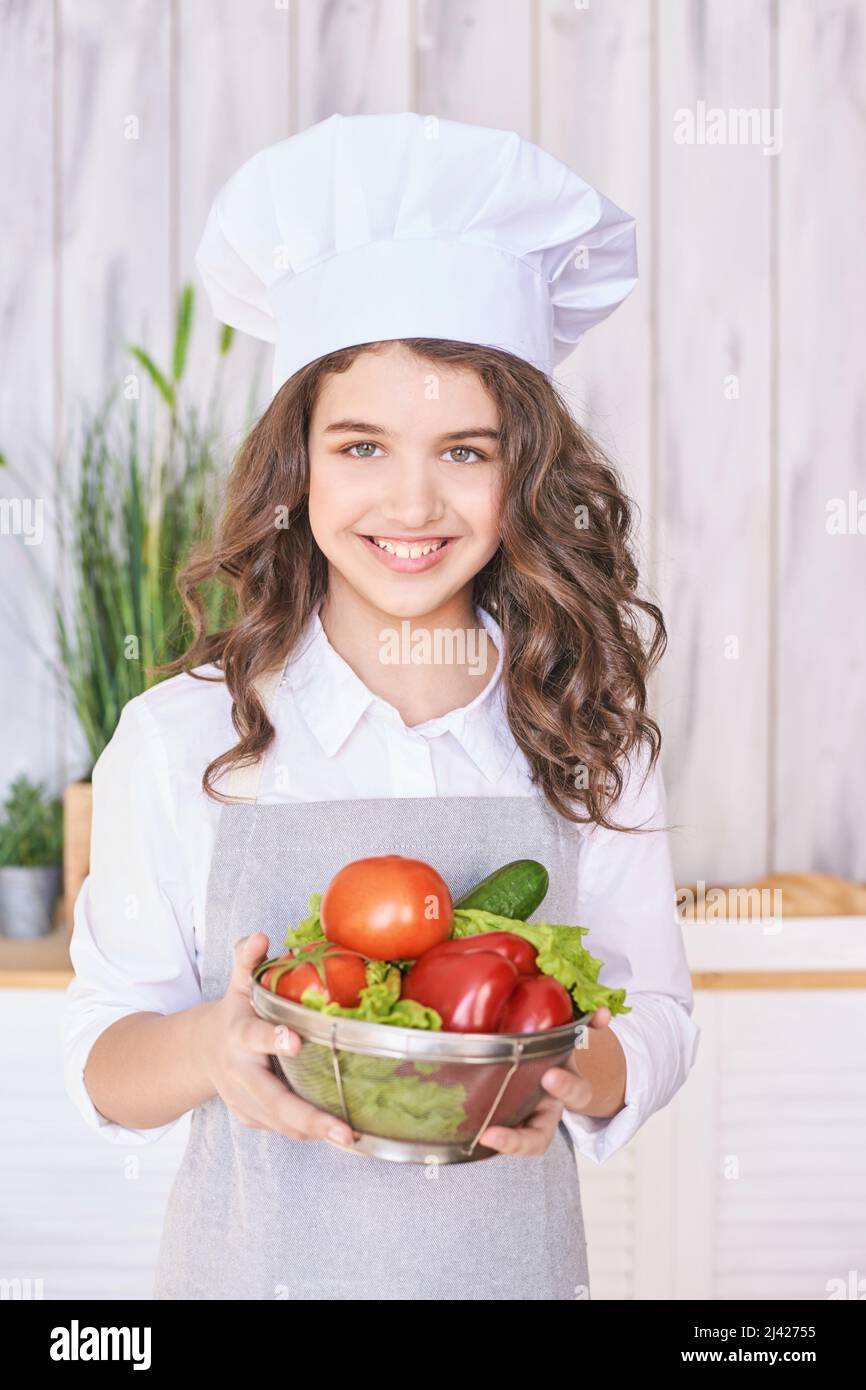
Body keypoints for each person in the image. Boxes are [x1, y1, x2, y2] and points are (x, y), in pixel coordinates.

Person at [61, 111, 700, 1301]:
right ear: (296, 468)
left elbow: (657, 1013)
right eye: (361, 445)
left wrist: (580, 1072)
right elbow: (104, 1063)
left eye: (464, 451)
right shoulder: (185, 736)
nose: (413, 501)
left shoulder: (582, 725)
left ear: (524, 473)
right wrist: (211, 1046)